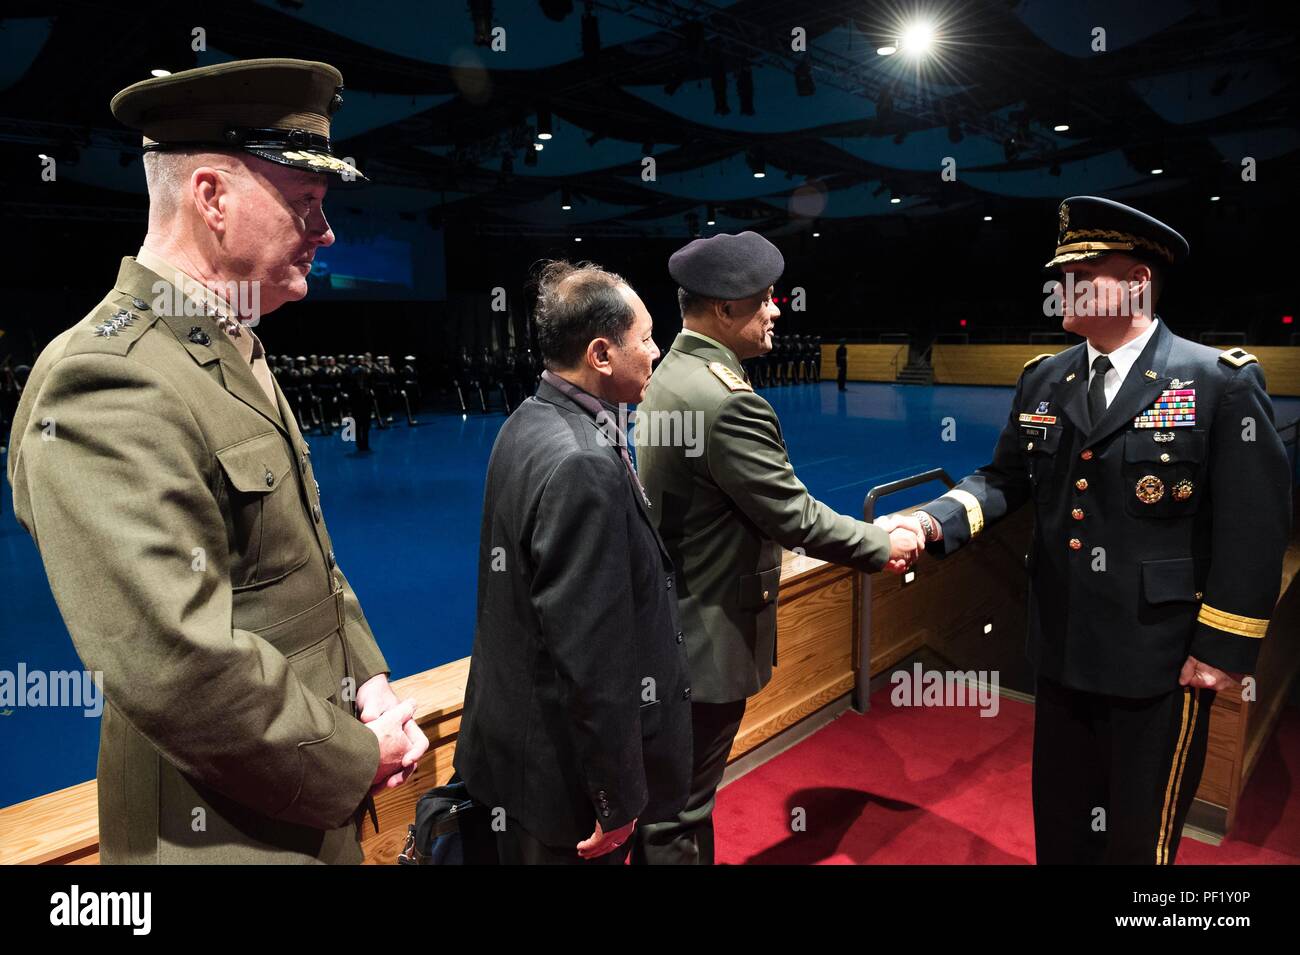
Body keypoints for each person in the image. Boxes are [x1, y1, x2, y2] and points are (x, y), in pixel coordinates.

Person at [6, 58, 428, 864]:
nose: (327, 230)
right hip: (222, 835)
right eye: (305, 201)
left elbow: (304, 565)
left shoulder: (226, 341)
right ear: (211, 197)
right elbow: (177, 664)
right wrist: (350, 755)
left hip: (299, 801)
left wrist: (366, 680)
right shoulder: (108, 377)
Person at [881, 196, 1291, 864]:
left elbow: (1256, 524)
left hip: (1162, 659)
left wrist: (1221, 648)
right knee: (1064, 832)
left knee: (1137, 844)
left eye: (1081, 271)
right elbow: (1004, 478)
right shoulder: (1044, 379)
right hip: (1064, 647)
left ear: (1137, 283)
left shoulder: (1217, 382)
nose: (1060, 285)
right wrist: (931, 520)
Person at [632, 231, 922, 864]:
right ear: (725, 309)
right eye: (764, 298)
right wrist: (883, 541)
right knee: (678, 813)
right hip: (706, 641)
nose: (777, 309)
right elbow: (795, 517)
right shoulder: (727, 402)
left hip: (668, 625)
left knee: (673, 804)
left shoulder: (666, 379)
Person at [454, 260, 692, 865]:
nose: (657, 351)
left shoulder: (524, 422)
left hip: (514, 759)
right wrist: (615, 800)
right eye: (645, 339)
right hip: (566, 793)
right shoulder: (582, 462)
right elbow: (592, 656)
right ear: (601, 354)